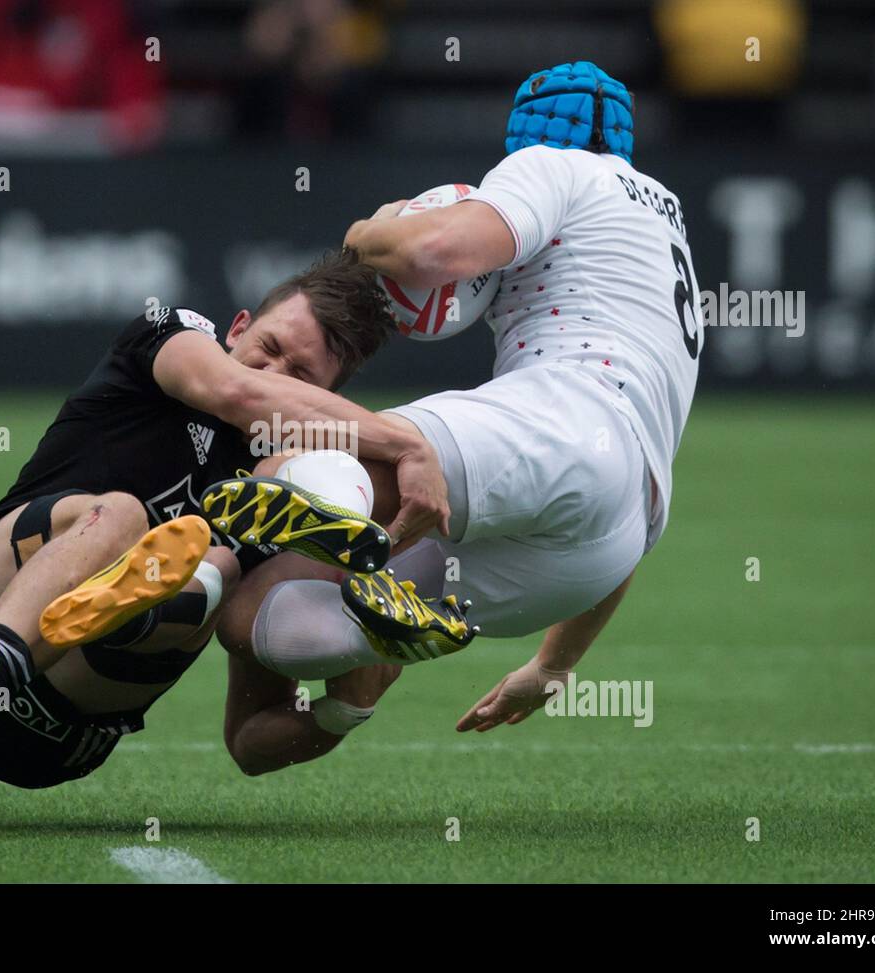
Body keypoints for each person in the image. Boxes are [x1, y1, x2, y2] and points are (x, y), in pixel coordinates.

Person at [210, 62, 701, 757]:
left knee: (307, 453)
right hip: (608, 547)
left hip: (563, 416)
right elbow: (617, 469)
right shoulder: (664, 225)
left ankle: (259, 532)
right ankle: (371, 644)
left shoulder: (551, 167)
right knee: (253, 617)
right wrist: (552, 666)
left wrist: (365, 232)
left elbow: (433, 250)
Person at [0, 250, 460, 788]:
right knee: (126, 518)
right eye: (269, 345)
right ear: (235, 328)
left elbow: (251, 745)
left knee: (221, 564)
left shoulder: (292, 501)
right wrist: (406, 445)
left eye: (302, 377)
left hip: (52, 739)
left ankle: (132, 611)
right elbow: (235, 390)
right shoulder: (176, 336)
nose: (274, 373)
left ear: (326, 398)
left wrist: (343, 710)